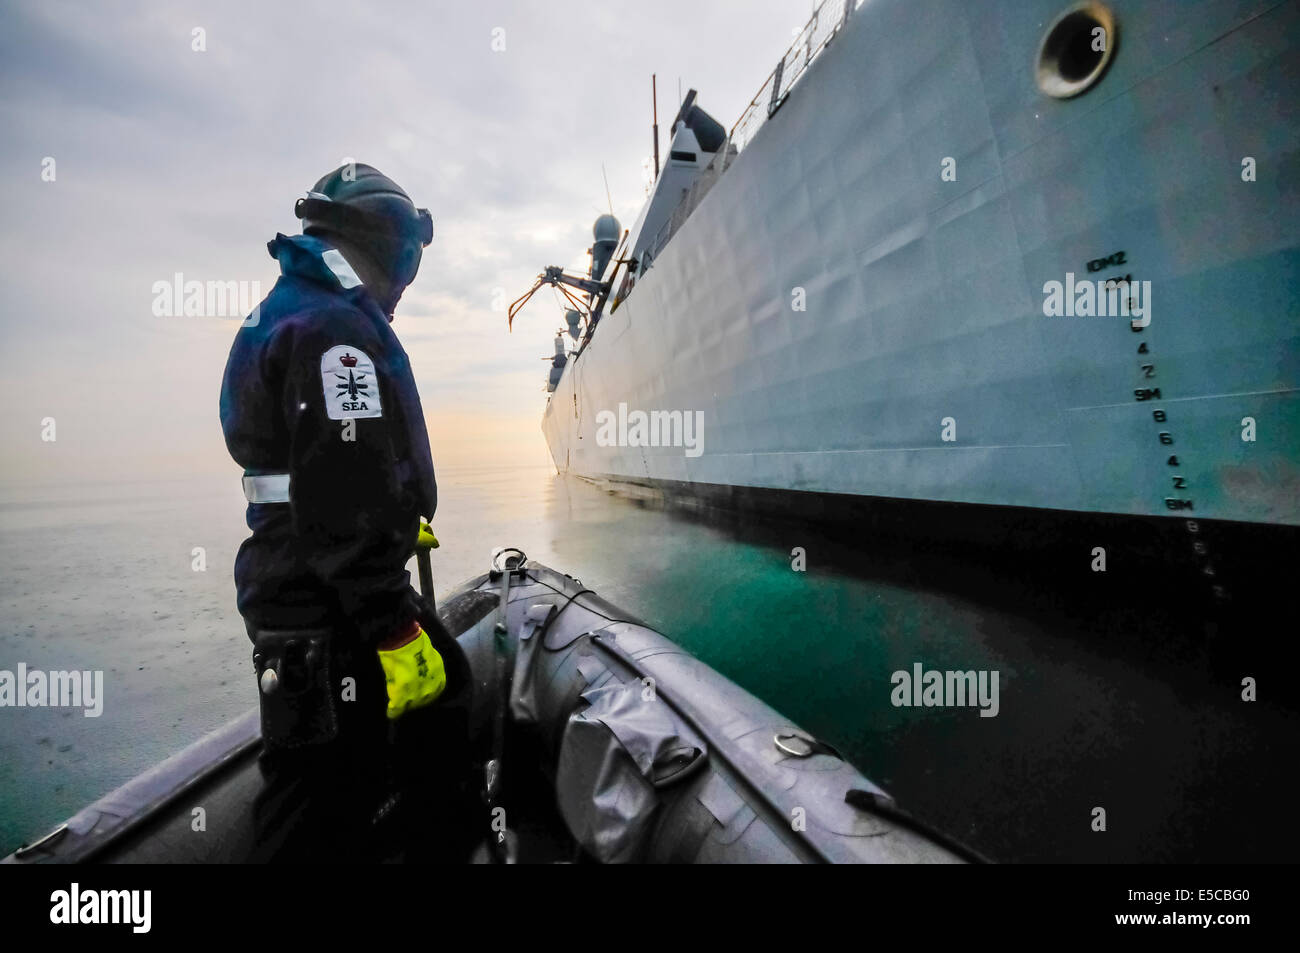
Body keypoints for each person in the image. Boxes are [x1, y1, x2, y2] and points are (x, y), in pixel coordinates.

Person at [219, 163, 469, 860]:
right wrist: (391, 623)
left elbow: (321, 465)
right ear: (386, 244)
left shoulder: (294, 308)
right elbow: (340, 487)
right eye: (407, 257)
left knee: (334, 771)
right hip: (325, 604)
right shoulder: (335, 332)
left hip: (300, 586)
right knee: (315, 796)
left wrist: (397, 516)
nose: (405, 283)